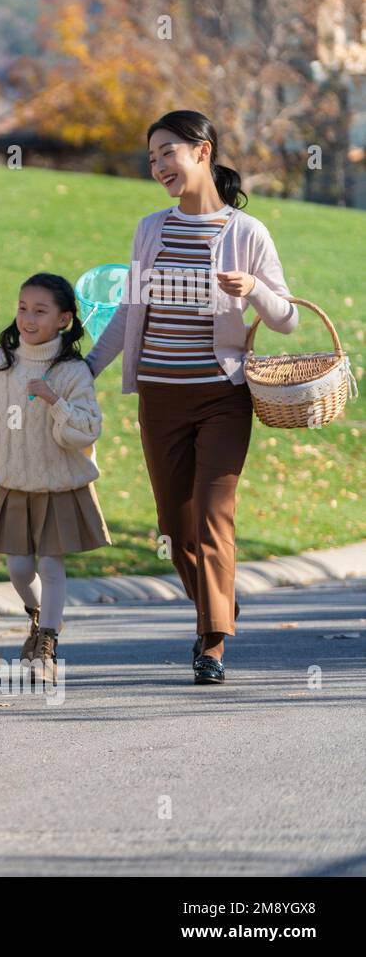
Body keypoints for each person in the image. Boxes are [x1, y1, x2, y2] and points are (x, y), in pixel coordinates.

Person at [86, 110, 299, 685]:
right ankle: (219, 600)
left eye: (167, 153)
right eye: (151, 157)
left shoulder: (246, 234)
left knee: (211, 518)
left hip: (222, 398)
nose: (158, 166)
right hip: (159, 397)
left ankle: (212, 643)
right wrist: (86, 368)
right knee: (174, 528)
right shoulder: (151, 228)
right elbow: (128, 311)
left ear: (202, 152)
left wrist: (254, 289)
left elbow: (288, 318)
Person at [0, 273, 111, 681]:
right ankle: (39, 617)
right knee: (18, 568)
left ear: (63, 320)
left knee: (51, 566)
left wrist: (55, 402)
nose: (28, 318)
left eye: (40, 310)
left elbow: (85, 430)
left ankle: (46, 644)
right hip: (15, 482)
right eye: (22, 308)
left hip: (59, 485)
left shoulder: (72, 372)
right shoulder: (3, 362)